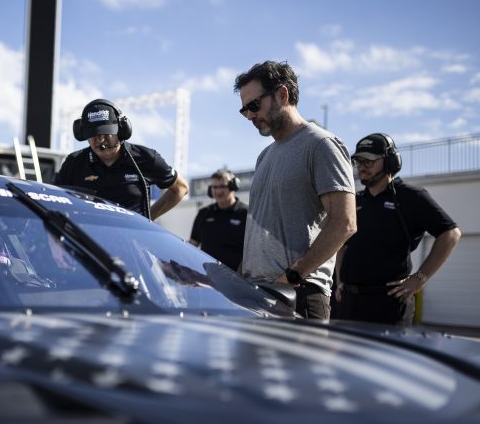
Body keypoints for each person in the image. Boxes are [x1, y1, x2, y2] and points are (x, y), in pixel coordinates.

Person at [233, 60, 357, 319]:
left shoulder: (322, 145)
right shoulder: (264, 156)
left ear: (282, 94)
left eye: (254, 106)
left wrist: (291, 276)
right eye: (244, 111)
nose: (250, 116)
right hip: (258, 294)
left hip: (298, 295)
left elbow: (345, 223)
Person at [335, 133, 461, 326]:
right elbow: (342, 245)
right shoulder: (355, 201)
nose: (361, 166)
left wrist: (419, 279)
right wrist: (339, 280)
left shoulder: (411, 197)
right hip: (349, 303)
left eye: (369, 161)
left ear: (390, 162)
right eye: (358, 161)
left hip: (389, 305)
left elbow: (450, 234)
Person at [53, 98, 188, 220]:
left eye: (106, 132)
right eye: (93, 134)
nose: (101, 140)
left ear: (122, 129)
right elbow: (53, 200)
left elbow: (180, 188)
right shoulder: (74, 163)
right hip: (86, 243)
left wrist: (148, 219)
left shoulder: (146, 158)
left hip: (132, 243)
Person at [189, 169, 247, 270]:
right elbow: (192, 245)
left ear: (233, 186)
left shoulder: (246, 214)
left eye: (222, 187)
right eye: (215, 187)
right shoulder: (203, 214)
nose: (218, 191)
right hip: (207, 279)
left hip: (237, 281)